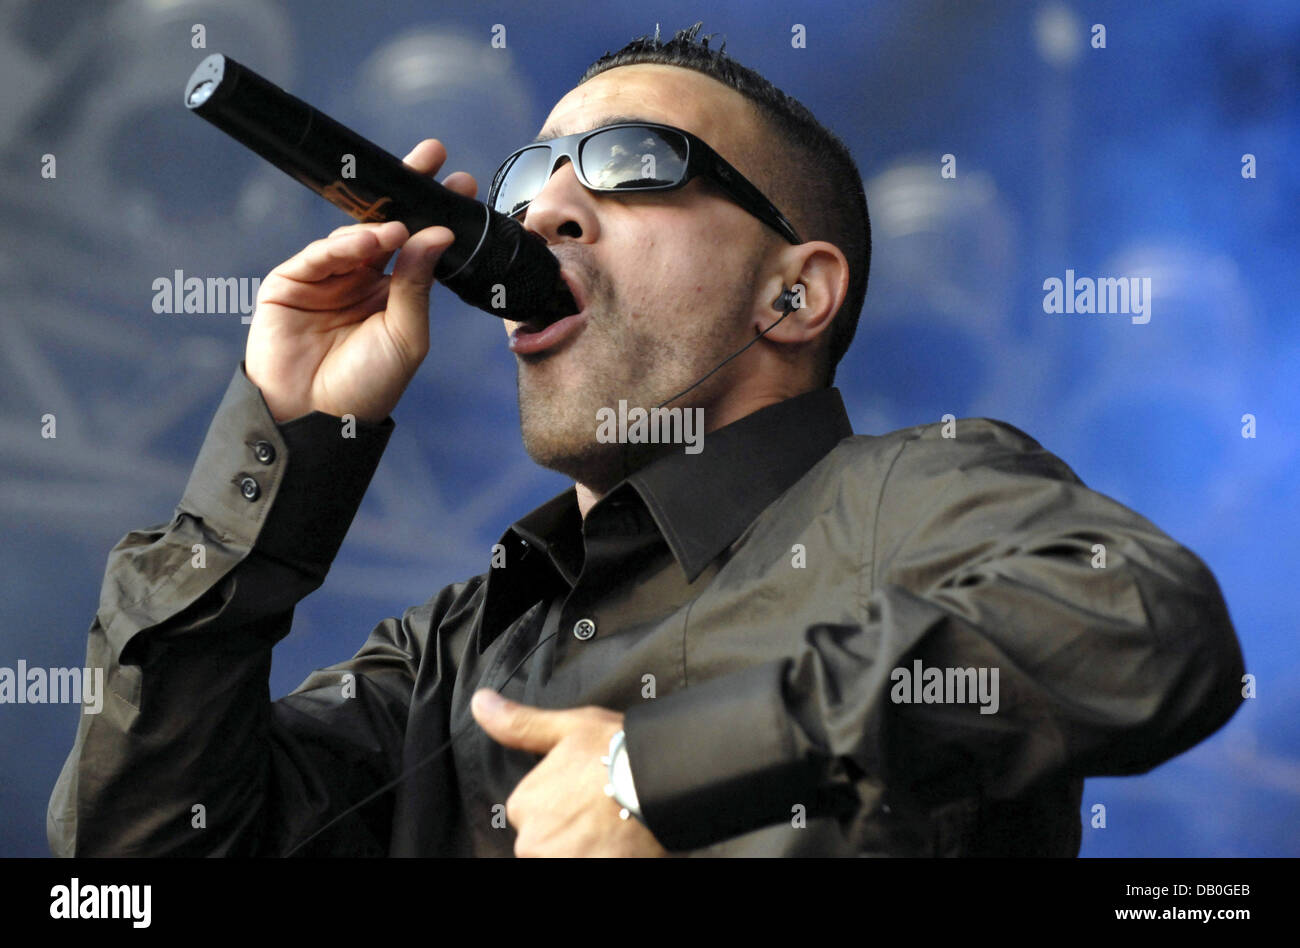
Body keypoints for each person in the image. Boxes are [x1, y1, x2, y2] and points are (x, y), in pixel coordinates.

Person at [48, 23, 1245, 857]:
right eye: (529, 177)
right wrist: (294, 442)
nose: (544, 207)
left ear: (795, 294)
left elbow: (1148, 629)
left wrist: (658, 769)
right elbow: (135, 864)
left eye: (631, 164)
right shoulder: (450, 656)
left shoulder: (906, 498)